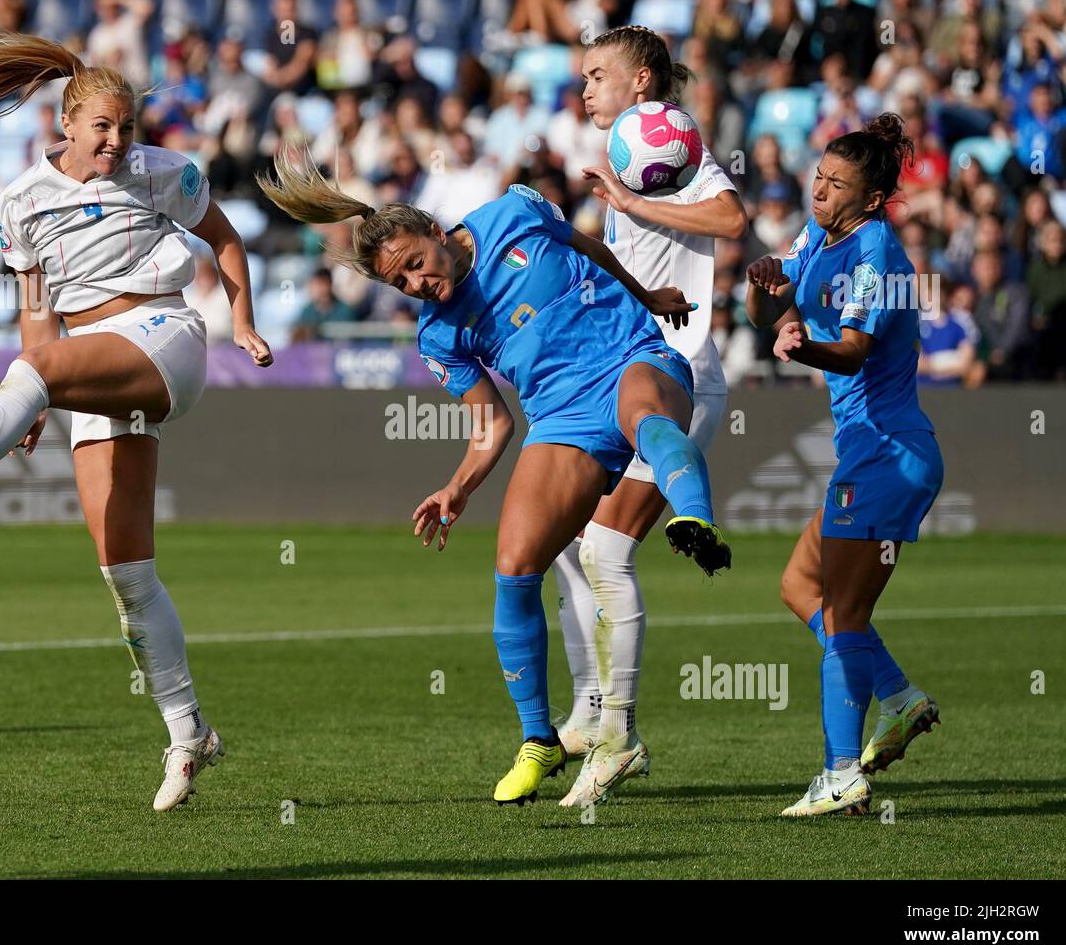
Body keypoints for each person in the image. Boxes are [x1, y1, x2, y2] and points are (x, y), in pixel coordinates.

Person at [0, 34, 273, 813]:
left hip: (166, 340)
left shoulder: (165, 174)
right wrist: (40, 396)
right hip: (92, 363)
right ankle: (190, 731)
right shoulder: (20, 201)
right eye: (102, 127)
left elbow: (226, 238)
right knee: (126, 574)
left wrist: (241, 316)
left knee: (38, 380)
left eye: (126, 129)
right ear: (67, 124)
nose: (116, 141)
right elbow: (37, 317)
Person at [258, 151, 731, 807]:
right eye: (402, 284)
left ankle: (695, 518)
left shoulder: (514, 210)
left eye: (416, 265)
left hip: (632, 356)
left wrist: (644, 295)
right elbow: (493, 424)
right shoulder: (439, 334)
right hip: (562, 417)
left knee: (646, 412)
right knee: (514, 566)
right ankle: (538, 739)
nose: (418, 284)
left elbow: (585, 243)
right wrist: (458, 487)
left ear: (434, 229)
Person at [547, 25, 747, 807]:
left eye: (597, 74)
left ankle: (619, 733)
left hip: (682, 379)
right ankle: (590, 709)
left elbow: (731, 221)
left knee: (603, 549)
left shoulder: (677, 145)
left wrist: (628, 201)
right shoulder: (639, 148)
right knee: (565, 539)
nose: (586, 88)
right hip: (633, 374)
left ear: (641, 84)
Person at [744, 113, 942, 818]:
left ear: (870, 200)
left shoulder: (879, 255)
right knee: (802, 586)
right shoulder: (817, 235)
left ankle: (840, 772)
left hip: (889, 453)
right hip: (868, 452)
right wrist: (762, 280)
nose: (819, 190)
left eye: (836, 185)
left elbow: (854, 349)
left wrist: (803, 348)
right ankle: (897, 697)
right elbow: (768, 309)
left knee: (847, 615)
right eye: (819, 177)